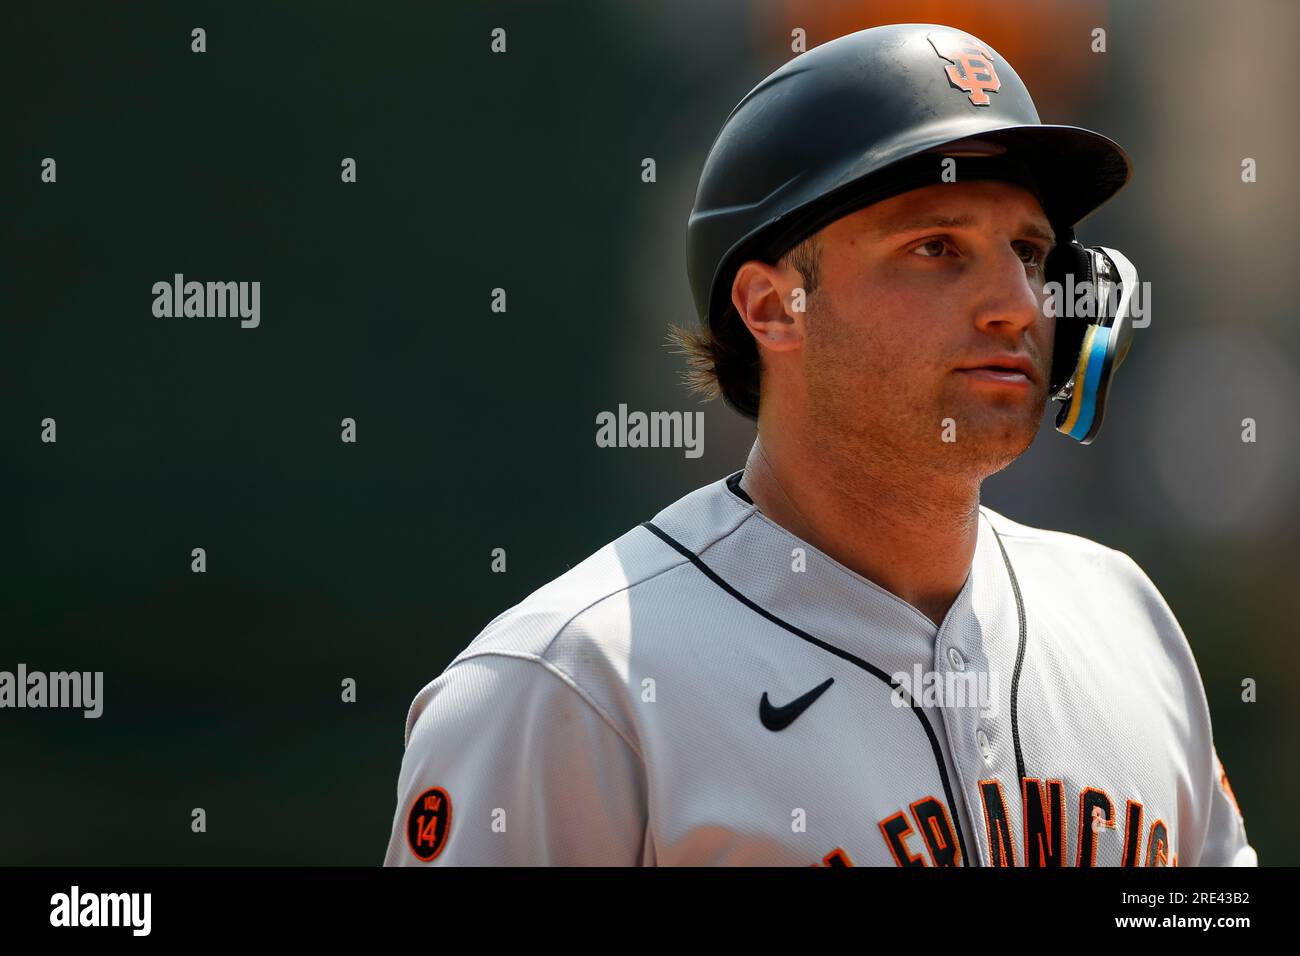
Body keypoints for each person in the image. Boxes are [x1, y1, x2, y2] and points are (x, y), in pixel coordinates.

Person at [383, 24, 1255, 866]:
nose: (1019, 306)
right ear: (771, 307)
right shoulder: (569, 688)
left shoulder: (1126, 623)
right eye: (937, 247)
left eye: (1028, 252)